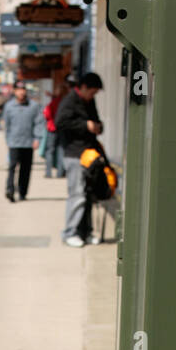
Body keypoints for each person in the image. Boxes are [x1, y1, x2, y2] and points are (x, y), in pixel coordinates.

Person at [55, 71, 105, 247]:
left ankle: (85, 232)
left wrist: (98, 127)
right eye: (92, 92)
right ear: (83, 88)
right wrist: (86, 125)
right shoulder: (70, 101)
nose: (94, 95)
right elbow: (60, 123)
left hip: (89, 154)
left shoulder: (89, 101)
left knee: (88, 195)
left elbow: (96, 121)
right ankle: (70, 232)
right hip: (74, 154)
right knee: (77, 195)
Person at [3, 79, 44, 202]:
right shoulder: (9, 106)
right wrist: (8, 140)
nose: (21, 92)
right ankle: (10, 190)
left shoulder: (34, 106)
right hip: (14, 142)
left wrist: (37, 138)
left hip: (28, 142)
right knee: (12, 167)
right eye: (18, 90)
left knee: (25, 169)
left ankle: (22, 192)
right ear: (14, 91)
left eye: (23, 90)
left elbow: (39, 123)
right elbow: (7, 125)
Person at [43, 86, 66, 178]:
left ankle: (48, 172)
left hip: (52, 128)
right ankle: (60, 173)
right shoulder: (65, 102)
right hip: (62, 129)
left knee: (50, 151)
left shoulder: (53, 102)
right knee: (61, 151)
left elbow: (47, 114)